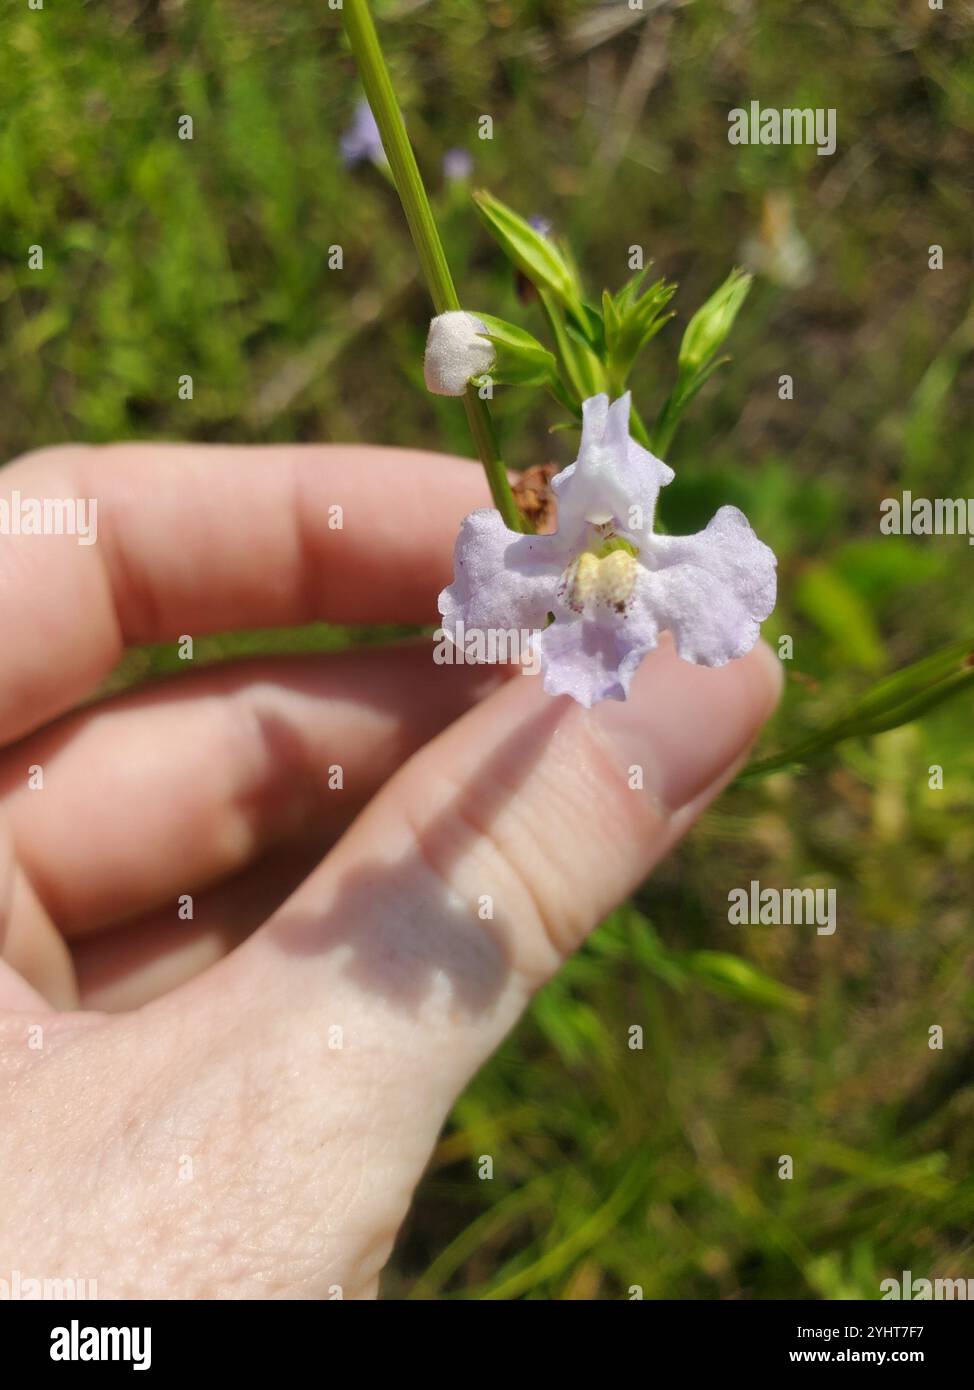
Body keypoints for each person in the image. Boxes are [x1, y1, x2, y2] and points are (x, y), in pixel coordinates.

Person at [0, 441, 780, 1298]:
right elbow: (499, 584)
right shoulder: (537, 567)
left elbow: (699, 583)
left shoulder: (655, 567)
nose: (599, 549)